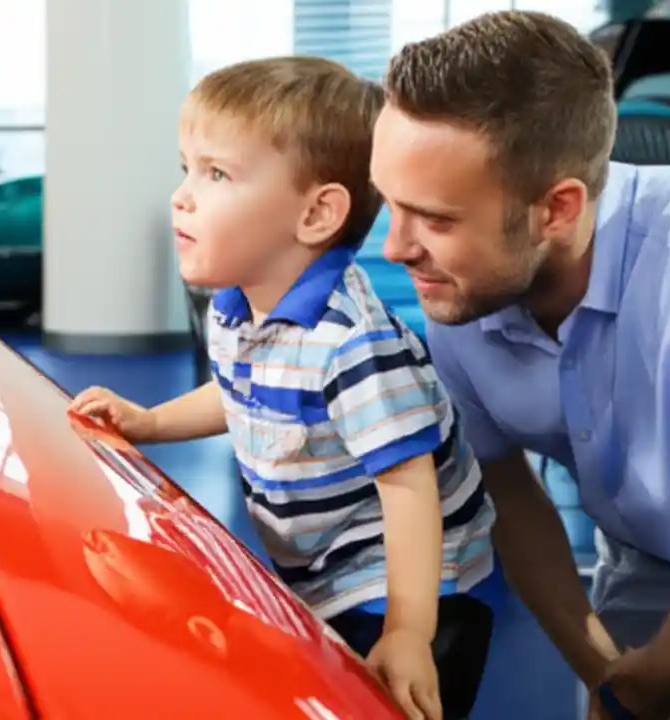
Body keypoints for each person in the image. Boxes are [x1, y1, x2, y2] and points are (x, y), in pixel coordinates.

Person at [68, 56, 498, 719]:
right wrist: (150, 423)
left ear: (318, 214)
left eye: (216, 174)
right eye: (185, 167)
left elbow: (409, 490)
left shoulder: (353, 346)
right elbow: (242, 395)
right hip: (319, 576)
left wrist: (409, 632)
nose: (182, 195)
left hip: (411, 589)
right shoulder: (238, 310)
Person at [370, 10, 670, 719]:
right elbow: (509, 491)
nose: (396, 249)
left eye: (434, 219)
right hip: (645, 566)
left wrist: (639, 688)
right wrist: (609, 675)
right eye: (390, 206)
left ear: (555, 210)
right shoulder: (465, 286)